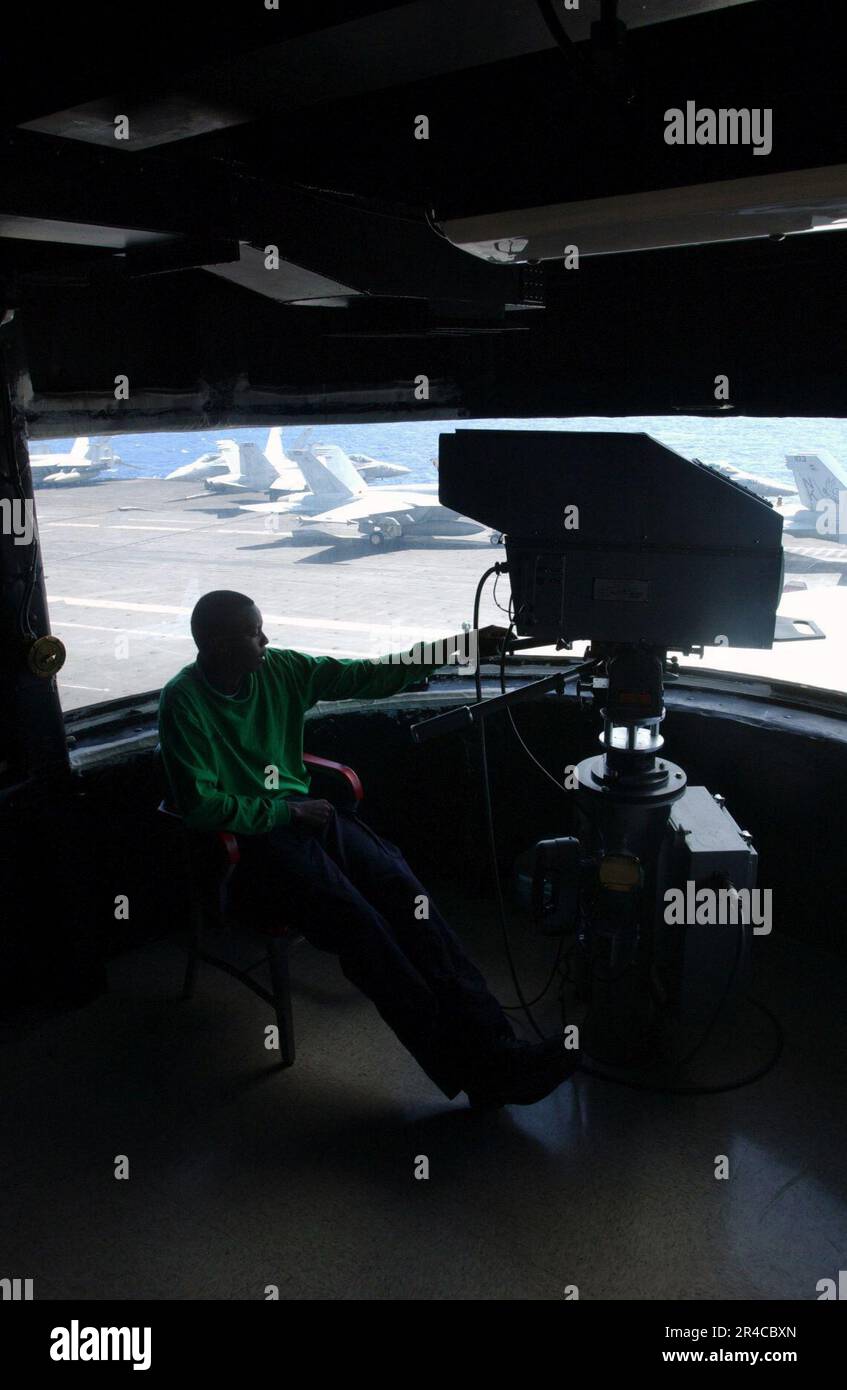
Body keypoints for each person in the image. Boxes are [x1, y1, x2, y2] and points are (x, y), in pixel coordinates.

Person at [158, 589, 579, 1108]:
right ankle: (478, 1072)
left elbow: (370, 674)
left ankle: (499, 1046)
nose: (266, 640)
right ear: (219, 647)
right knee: (365, 931)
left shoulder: (280, 669)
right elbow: (201, 805)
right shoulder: (183, 703)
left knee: (407, 897)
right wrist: (284, 812)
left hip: (305, 816)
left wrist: (461, 645)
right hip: (255, 845)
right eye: (253, 633)